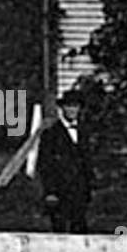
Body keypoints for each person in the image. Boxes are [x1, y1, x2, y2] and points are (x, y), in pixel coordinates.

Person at [35, 88, 93, 233]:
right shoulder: (51, 134)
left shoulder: (84, 132)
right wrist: (50, 191)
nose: (72, 110)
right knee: (60, 229)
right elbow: (45, 165)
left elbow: (87, 162)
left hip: (79, 191)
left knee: (79, 229)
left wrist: (89, 186)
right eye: (69, 106)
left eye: (75, 106)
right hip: (60, 191)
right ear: (62, 108)